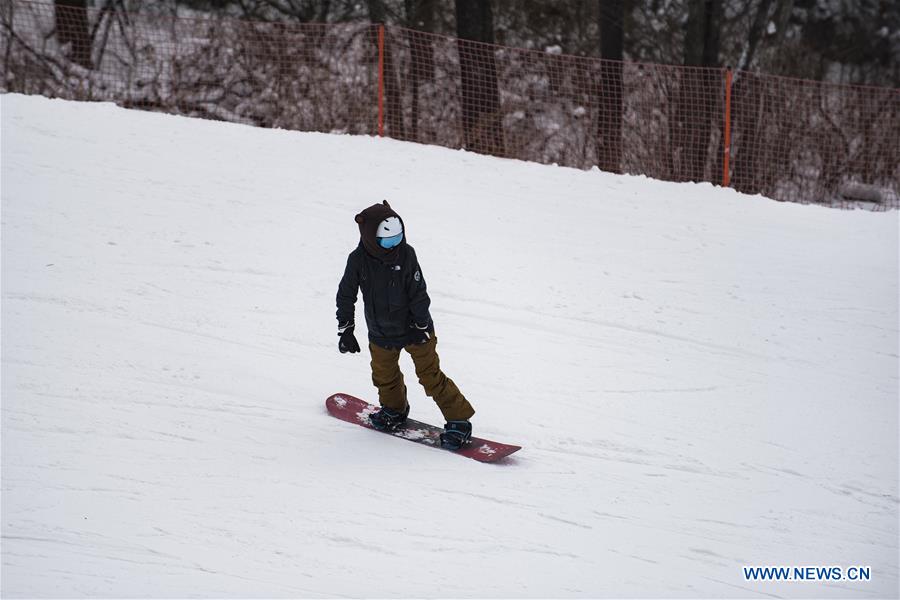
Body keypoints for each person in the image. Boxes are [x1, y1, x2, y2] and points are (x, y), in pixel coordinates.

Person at [335, 200, 475, 450]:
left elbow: (418, 291)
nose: (395, 244)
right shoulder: (357, 260)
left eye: (398, 237)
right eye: (388, 240)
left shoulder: (406, 254)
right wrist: (346, 328)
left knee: (430, 375)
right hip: (381, 331)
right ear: (370, 237)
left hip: (415, 329)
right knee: (384, 376)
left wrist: (421, 324)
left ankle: (459, 421)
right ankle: (394, 410)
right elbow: (346, 294)